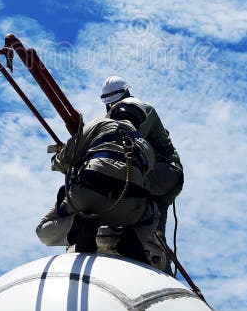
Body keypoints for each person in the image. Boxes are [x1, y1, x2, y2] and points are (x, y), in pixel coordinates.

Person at [39, 110, 158, 265]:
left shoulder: (100, 123)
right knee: (153, 211)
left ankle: (79, 226)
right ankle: (132, 240)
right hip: (127, 208)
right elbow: (145, 185)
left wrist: (57, 160)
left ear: (113, 113)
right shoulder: (148, 148)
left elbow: (66, 159)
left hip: (87, 196)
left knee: (43, 230)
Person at [100, 76, 184, 238]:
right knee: (152, 236)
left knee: (115, 181)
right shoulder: (113, 120)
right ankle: (153, 255)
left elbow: (126, 144)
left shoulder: (142, 111)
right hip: (152, 177)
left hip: (165, 172)